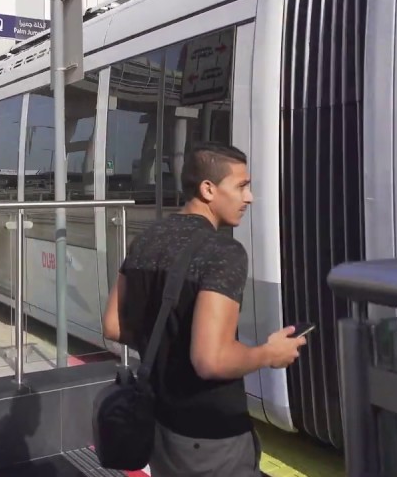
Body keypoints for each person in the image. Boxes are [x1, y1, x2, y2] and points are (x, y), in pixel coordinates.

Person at [101, 142, 306, 476]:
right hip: (211, 434)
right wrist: (270, 354)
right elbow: (211, 361)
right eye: (241, 186)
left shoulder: (145, 240)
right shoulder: (223, 252)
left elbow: (112, 325)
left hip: (161, 420)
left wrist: (172, 341)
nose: (249, 198)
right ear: (208, 189)